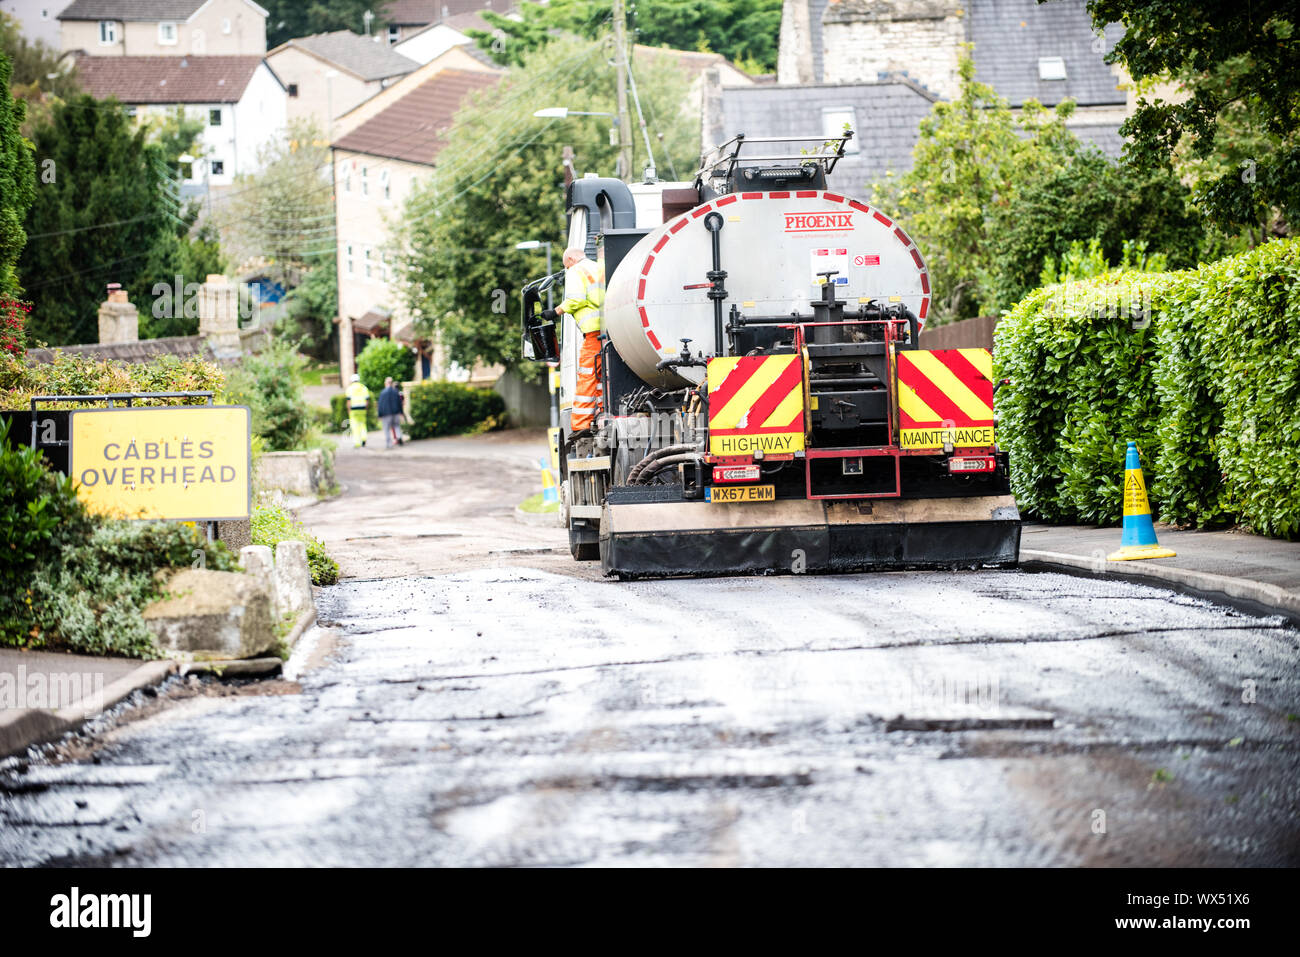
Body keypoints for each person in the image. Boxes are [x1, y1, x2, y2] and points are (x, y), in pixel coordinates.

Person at [553, 246, 604, 436]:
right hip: (608, 330)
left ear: (572, 259)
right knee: (601, 376)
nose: (567, 269)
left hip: (593, 334)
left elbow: (576, 300)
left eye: (567, 265)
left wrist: (555, 311)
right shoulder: (598, 267)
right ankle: (602, 412)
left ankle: (581, 425)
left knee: (587, 375)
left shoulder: (576, 270)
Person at [377, 376, 405, 449]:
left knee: (386, 429)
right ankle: (399, 437)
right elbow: (399, 403)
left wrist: (379, 415)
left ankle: (389, 444)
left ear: (385, 383)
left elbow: (380, 404)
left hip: (386, 414)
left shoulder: (382, 393)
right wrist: (401, 412)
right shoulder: (395, 392)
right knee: (396, 426)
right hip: (395, 413)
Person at [345, 373, 370, 448]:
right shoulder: (363, 387)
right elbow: (367, 399)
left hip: (354, 410)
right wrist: (366, 408)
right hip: (362, 409)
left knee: (355, 426)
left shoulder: (350, 388)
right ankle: (364, 438)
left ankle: (357, 443)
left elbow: (348, 401)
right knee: (363, 425)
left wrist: (349, 410)